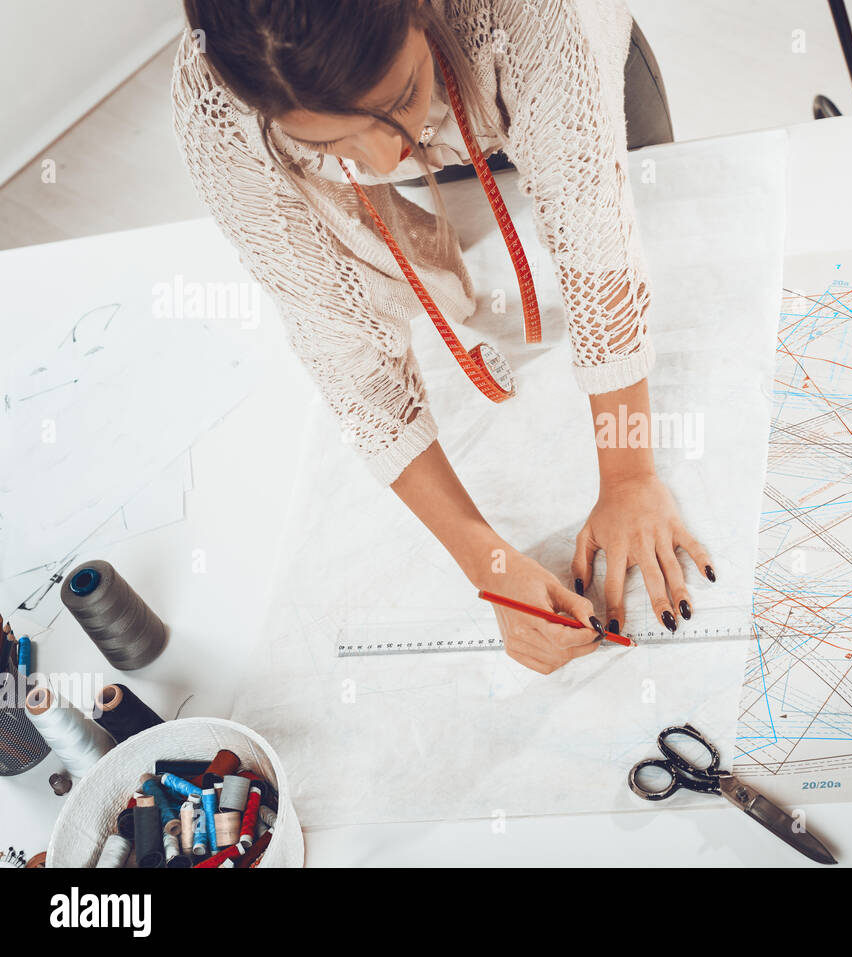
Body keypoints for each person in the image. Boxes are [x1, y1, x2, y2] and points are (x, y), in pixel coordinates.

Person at [172, 0, 713, 674]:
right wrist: (486, 562)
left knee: (679, 248)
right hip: (440, 94)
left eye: (396, 100)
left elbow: (596, 248)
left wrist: (630, 477)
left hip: (554, 71)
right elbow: (351, 363)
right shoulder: (218, 110)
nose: (387, 152)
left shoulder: (534, 17)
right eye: (328, 144)